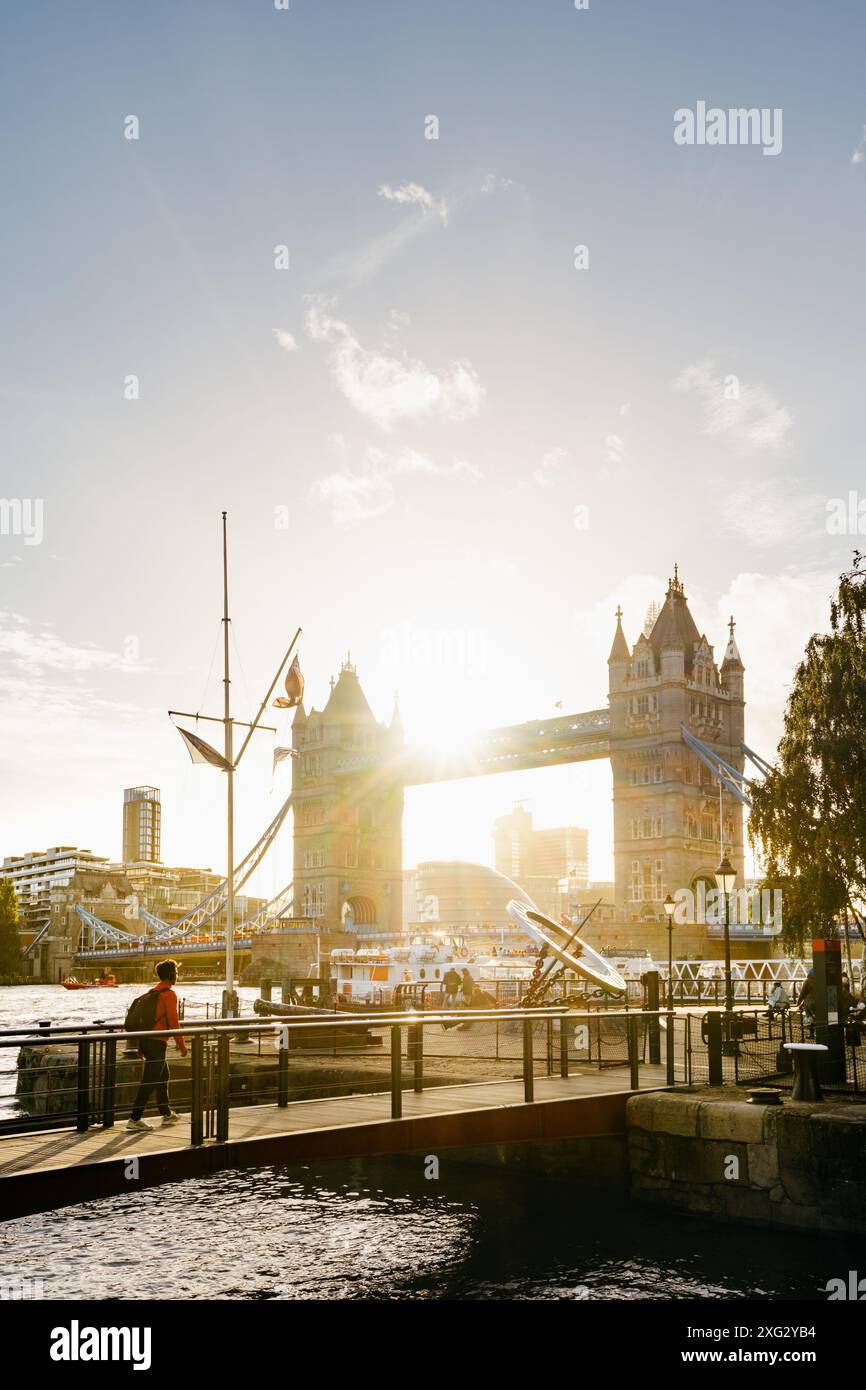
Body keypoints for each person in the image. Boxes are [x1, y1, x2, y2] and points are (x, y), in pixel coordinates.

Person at [127, 959, 187, 1132]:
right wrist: (182, 1047)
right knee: (150, 1081)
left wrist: (140, 1046)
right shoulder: (169, 994)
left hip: (147, 1041)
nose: (177, 975)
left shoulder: (152, 992)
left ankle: (167, 1114)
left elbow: (144, 1022)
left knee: (163, 1075)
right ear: (171, 975)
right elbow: (174, 1023)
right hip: (156, 1043)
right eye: (176, 972)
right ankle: (134, 1119)